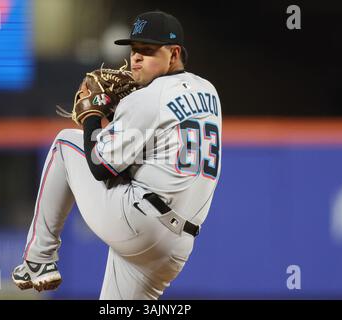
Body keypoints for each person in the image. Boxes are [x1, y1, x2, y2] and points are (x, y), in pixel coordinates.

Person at [12, 10, 222, 300]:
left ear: (174, 53)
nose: (136, 58)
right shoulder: (208, 91)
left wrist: (92, 115)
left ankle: (39, 258)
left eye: (147, 51)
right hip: (177, 247)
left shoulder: (147, 98)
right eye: (134, 50)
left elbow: (99, 165)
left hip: (141, 225)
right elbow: (156, 148)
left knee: (64, 144)